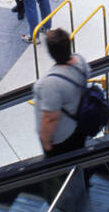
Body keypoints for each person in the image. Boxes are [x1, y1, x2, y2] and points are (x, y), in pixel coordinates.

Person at [32, 28, 91, 156]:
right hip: (78, 126)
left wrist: (46, 143)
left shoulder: (51, 83)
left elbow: (50, 118)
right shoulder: (80, 61)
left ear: (50, 52)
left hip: (62, 138)